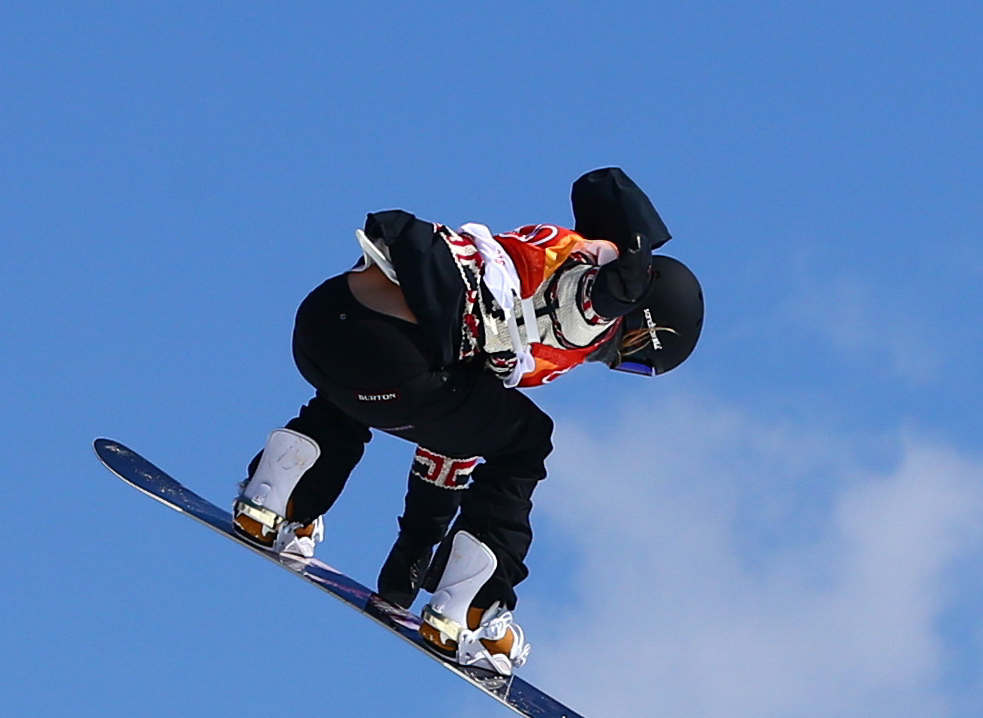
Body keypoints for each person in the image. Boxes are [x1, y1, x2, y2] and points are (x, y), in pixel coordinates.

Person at [230, 168, 702, 674]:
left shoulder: (529, 263)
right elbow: (592, 297)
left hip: (327, 326)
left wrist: (414, 547)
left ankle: (278, 496)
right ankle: (474, 607)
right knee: (527, 441)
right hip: (398, 358)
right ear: (642, 317)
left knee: (360, 404)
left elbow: (451, 439)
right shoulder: (589, 294)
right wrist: (628, 273)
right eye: (628, 356)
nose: (608, 360)